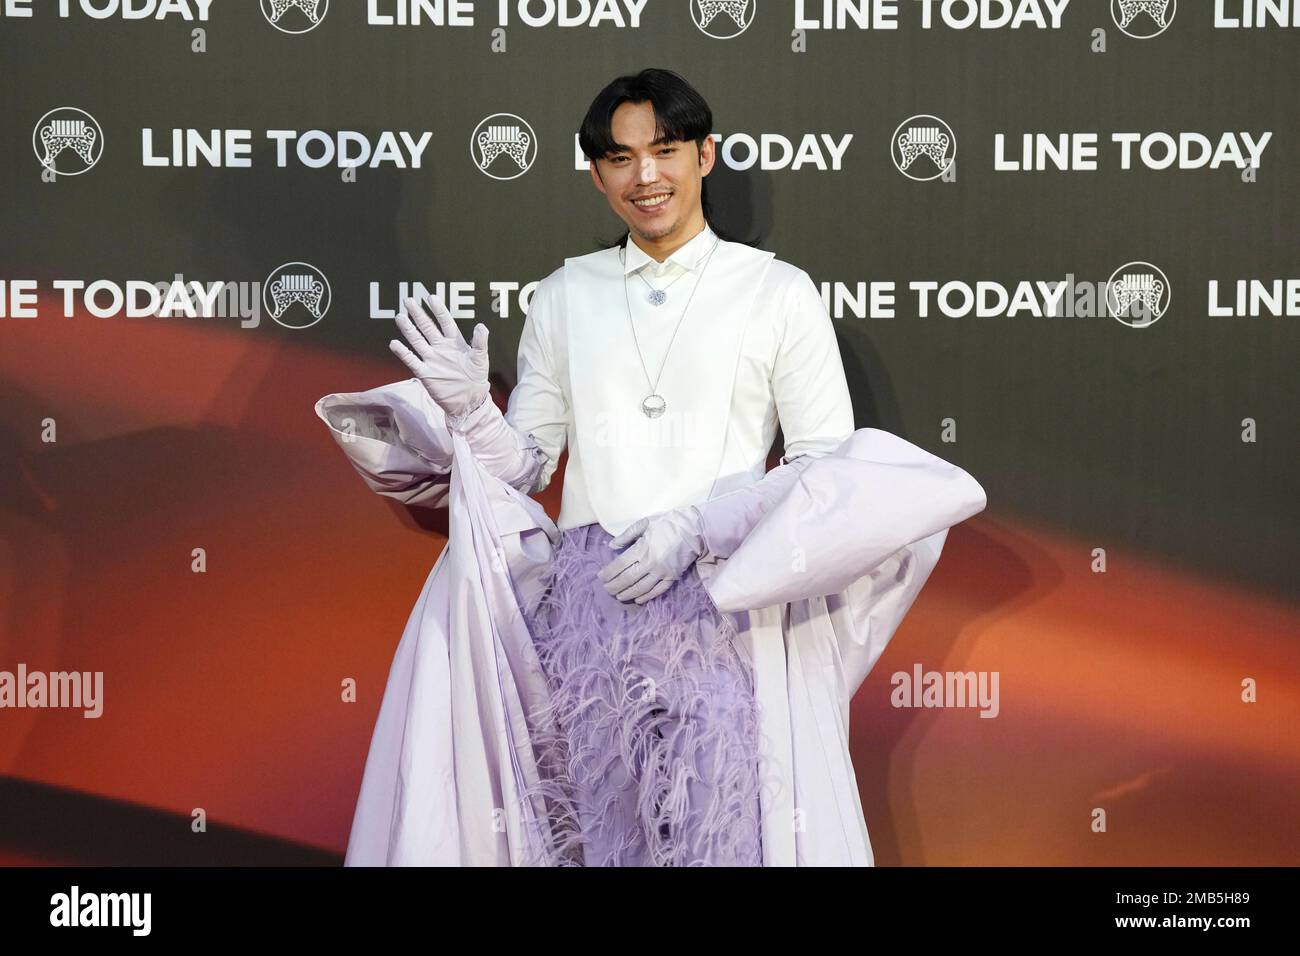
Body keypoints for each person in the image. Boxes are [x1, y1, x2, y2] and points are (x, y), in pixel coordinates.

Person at [387, 68, 855, 866]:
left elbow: (826, 470)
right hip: (586, 619)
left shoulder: (779, 292)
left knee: (726, 837)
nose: (646, 176)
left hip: (724, 609)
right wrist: (471, 412)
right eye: (620, 157)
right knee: (596, 842)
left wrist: (696, 526)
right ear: (597, 174)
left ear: (705, 156)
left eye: (665, 150)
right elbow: (528, 466)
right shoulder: (567, 295)